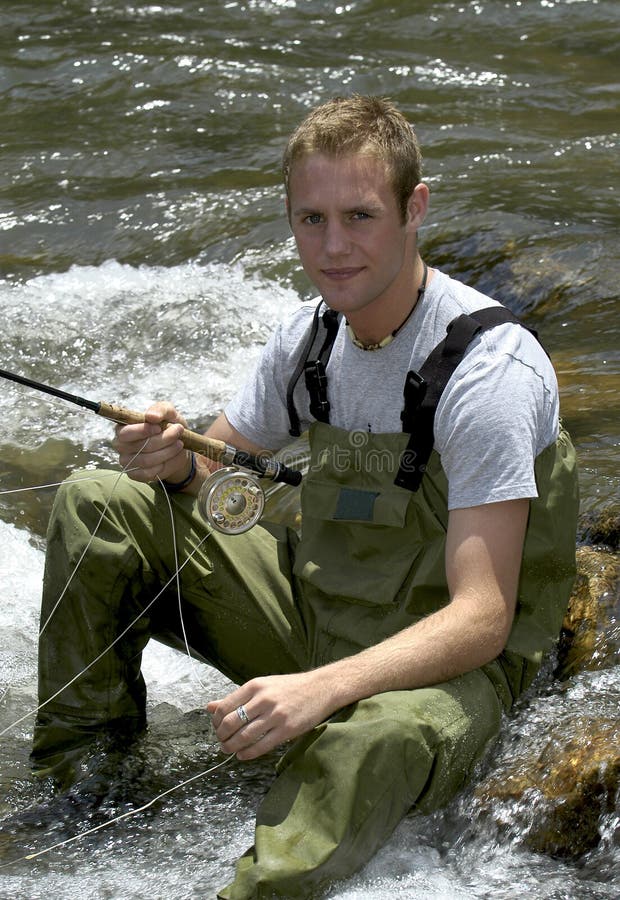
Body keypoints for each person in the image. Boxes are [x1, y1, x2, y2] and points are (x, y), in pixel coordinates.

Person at [31, 95, 579, 898]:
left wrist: (322, 690)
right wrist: (173, 461)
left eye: (359, 215)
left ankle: (255, 890)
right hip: (317, 619)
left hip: (448, 673)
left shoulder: (488, 370)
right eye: (310, 219)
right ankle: (82, 785)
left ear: (413, 209)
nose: (333, 248)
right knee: (100, 500)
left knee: (369, 739)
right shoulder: (309, 336)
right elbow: (215, 477)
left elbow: (482, 620)